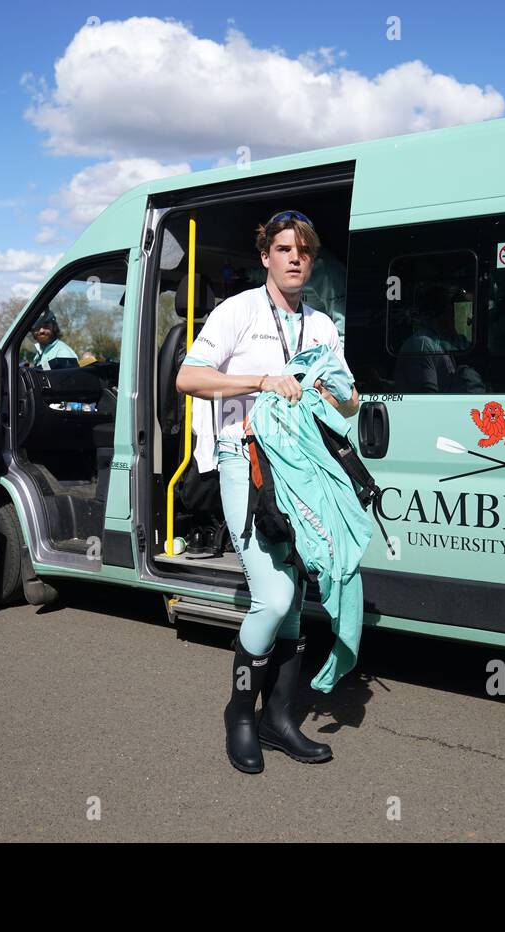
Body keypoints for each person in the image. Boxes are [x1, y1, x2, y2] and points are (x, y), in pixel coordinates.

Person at [176, 209, 360, 774]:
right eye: (284, 249)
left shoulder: (323, 327)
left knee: (295, 606)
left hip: (304, 469)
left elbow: (348, 404)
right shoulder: (239, 312)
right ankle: (239, 714)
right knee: (272, 598)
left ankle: (280, 719)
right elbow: (189, 377)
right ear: (266, 257)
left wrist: (339, 396)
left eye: (303, 250)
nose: (295, 258)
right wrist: (261, 381)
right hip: (246, 462)